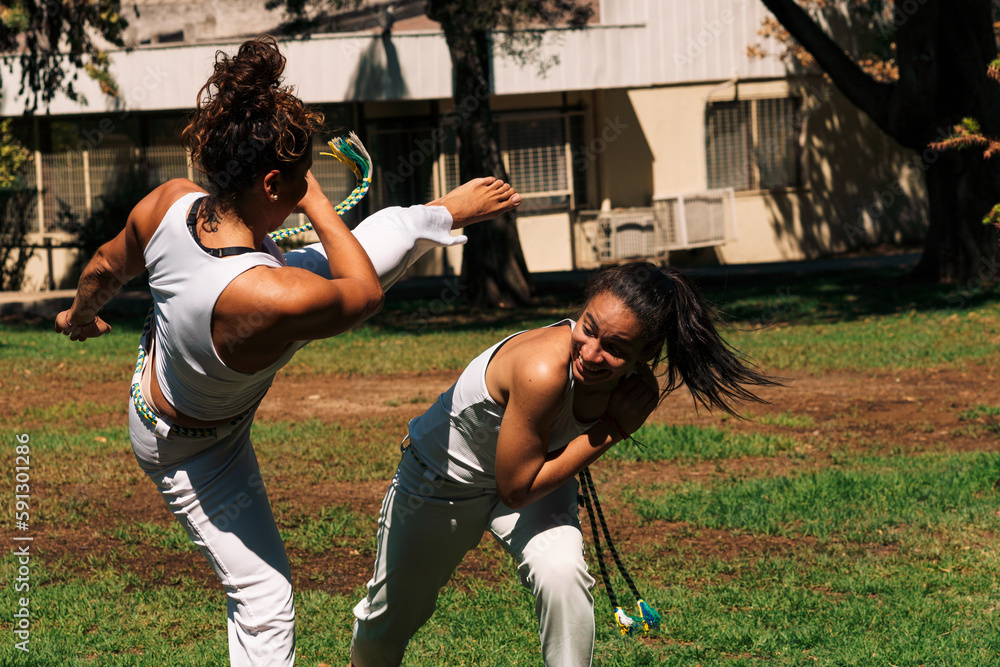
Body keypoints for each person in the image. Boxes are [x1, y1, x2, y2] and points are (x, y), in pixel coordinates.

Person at [53, 35, 520, 666]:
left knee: (380, 240)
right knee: (265, 597)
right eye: (302, 179)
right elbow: (361, 294)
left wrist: (81, 316)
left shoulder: (171, 203)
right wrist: (320, 203)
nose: (309, 186)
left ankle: (437, 214)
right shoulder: (268, 296)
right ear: (276, 184)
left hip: (190, 367)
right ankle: (432, 217)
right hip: (191, 450)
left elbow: (106, 267)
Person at [349, 261, 778, 667]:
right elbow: (515, 488)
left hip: (537, 478)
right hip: (441, 483)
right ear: (582, 311)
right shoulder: (542, 368)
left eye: (614, 348)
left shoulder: (633, 387)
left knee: (562, 574)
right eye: (588, 329)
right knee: (387, 623)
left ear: (645, 353)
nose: (591, 353)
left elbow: (522, 487)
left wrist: (611, 420)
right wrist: (611, 428)